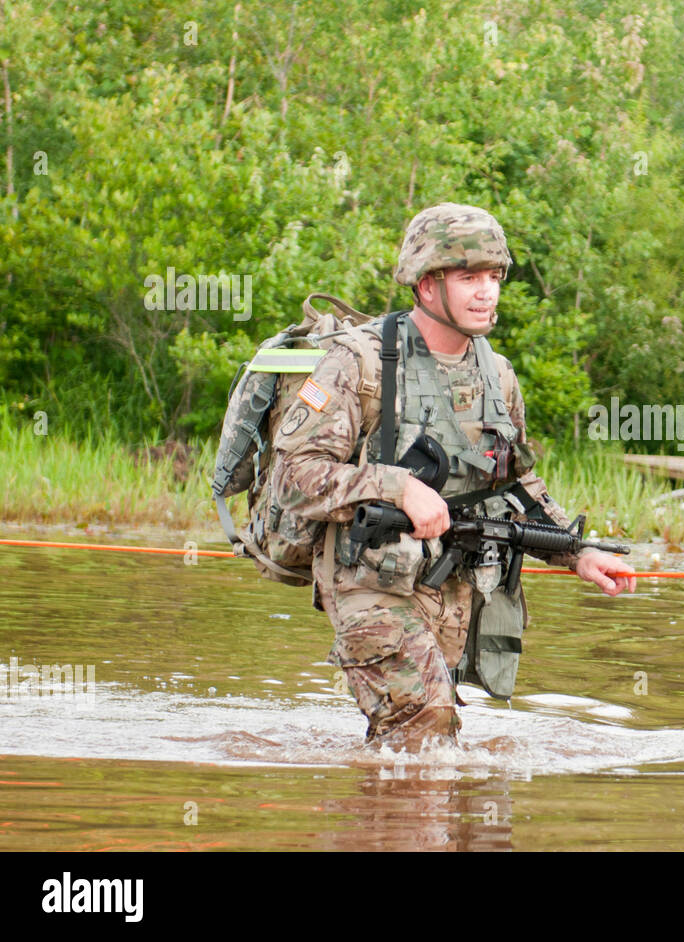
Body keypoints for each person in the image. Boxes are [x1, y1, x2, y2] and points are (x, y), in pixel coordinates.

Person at [272, 202, 636, 751]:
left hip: (452, 586)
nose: (486, 291)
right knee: (425, 726)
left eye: (494, 277)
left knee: (424, 747)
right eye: (469, 277)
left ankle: (372, 822)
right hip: (369, 578)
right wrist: (397, 487)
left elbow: (515, 488)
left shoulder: (499, 374)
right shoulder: (360, 363)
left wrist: (577, 552)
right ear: (426, 286)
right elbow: (294, 476)